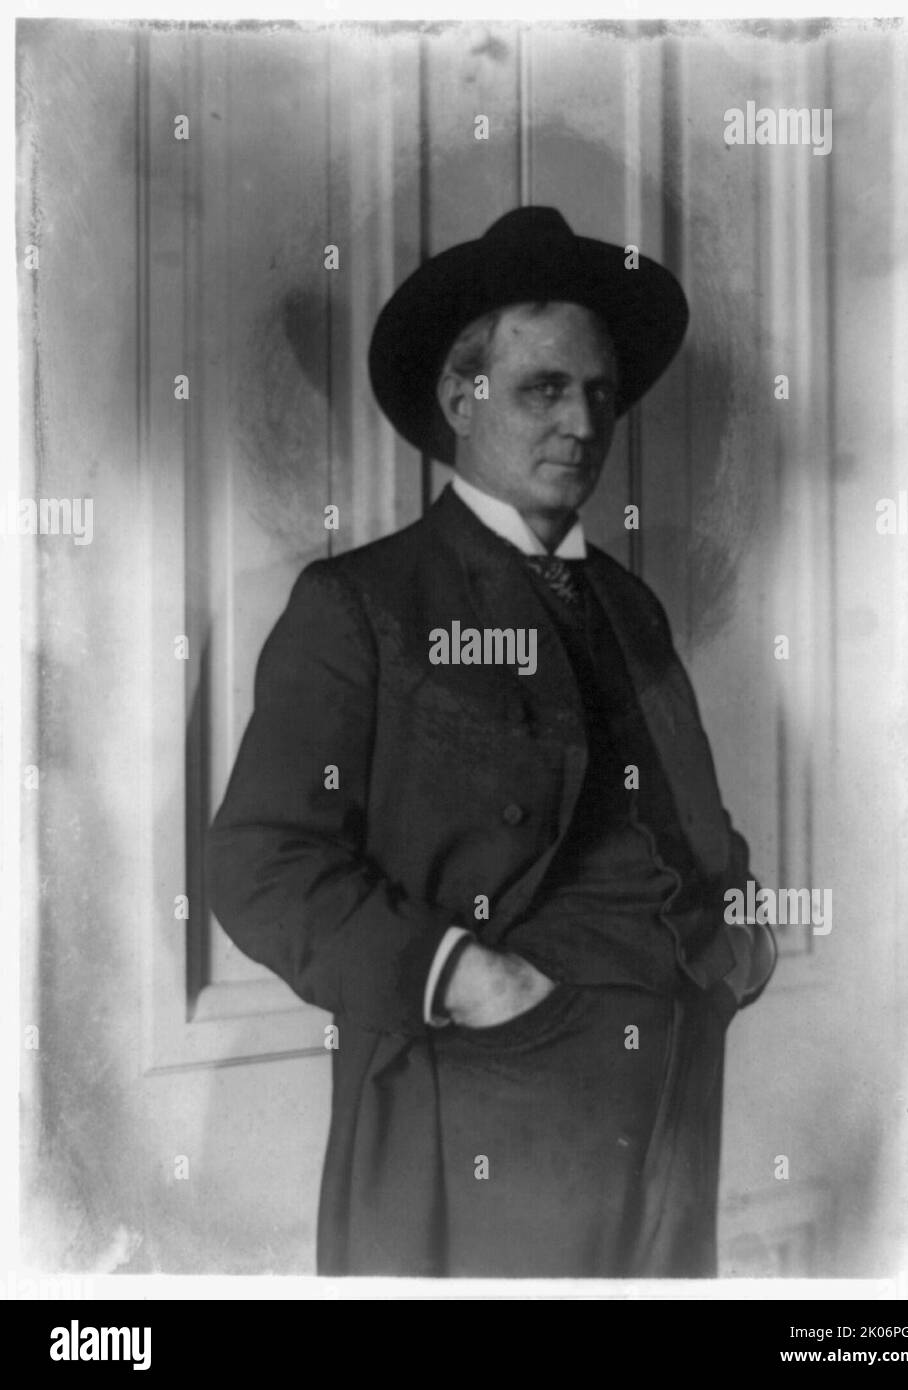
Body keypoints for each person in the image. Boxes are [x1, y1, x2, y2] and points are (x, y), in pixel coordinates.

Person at [206, 205, 776, 1278]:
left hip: (669, 1097)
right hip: (480, 1096)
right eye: (542, 389)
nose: (582, 424)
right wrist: (468, 979)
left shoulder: (630, 607)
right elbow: (256, 863)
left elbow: (692, 822)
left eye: (598, 395)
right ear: (458, 400)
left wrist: (738, 947)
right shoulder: (361, 603)